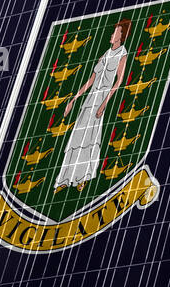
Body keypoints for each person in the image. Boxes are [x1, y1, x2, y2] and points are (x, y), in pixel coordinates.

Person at [53, 18, 131, 191]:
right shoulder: (105, 54)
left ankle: (84, 177)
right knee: (77, 136)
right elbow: (91, 79)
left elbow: (118, 82)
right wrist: (75, 98)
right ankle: (65, 179)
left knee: (91, 137)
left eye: (115, 32)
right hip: (90, 99)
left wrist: (104, 104)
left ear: (122, 35)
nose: (112, 34)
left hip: (101, 97)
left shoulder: (122, 55)